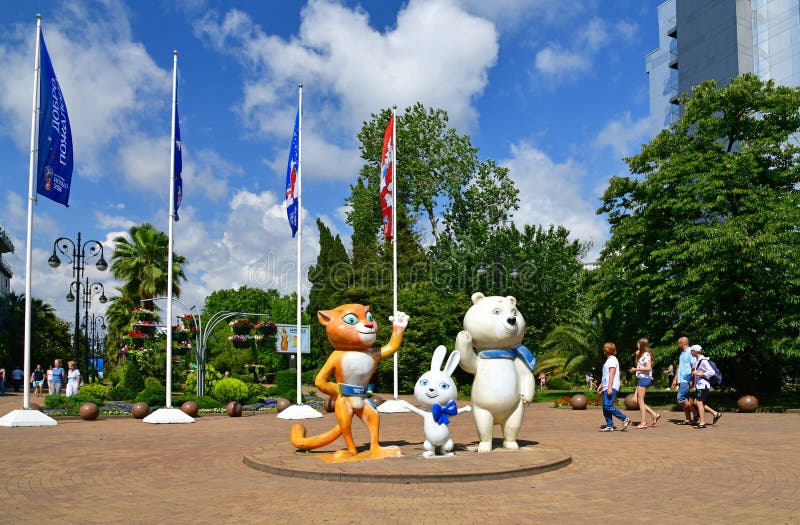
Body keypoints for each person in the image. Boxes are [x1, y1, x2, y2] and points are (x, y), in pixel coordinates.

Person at [597, 342, 631, 432]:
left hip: (611, 386)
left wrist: (609, 387)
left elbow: (612, 373)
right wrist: (601, 385)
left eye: (605, 349)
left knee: (607, 405)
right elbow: (606, 375)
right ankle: (610, 425)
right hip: (606, 385)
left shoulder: (612, 360)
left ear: (606, 350)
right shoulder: (608, 360)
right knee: (605, 407)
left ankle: (625, 419)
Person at [629, 338, 661, 428]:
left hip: (644, 378)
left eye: (638, 343)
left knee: (641, 401)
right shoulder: (642, 354)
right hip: (641, 378)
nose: (637, 345)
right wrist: (636, 356)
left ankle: (643, 422)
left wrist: (635, 369)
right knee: (636, 400)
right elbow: (638, 364)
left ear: (642, 344)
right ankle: (654, 414)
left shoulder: (646, 354)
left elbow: (648, 368)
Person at [690, 345, 723, 429]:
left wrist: (700, 374)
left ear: (695, 352)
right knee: (695, 402)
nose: (691, 352)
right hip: (699, 385)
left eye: (692, 351)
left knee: (699, 403)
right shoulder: (698, 360)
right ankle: (715, 413)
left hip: (703, 385)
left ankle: (702, 422)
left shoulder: (703, 360)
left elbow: (711, 372)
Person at [671, 336, 698, 425]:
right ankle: (688, 419)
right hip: (681, 379)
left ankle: (695, 412)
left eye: (678, 343)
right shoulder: (682, 353)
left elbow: (693, 366)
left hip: (686, 380)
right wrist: (675, 379)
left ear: (682, 343)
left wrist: (692, 379)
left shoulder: (691, 352)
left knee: (680, 398)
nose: (678, 345)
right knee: (684, 400)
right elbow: (679, 367)